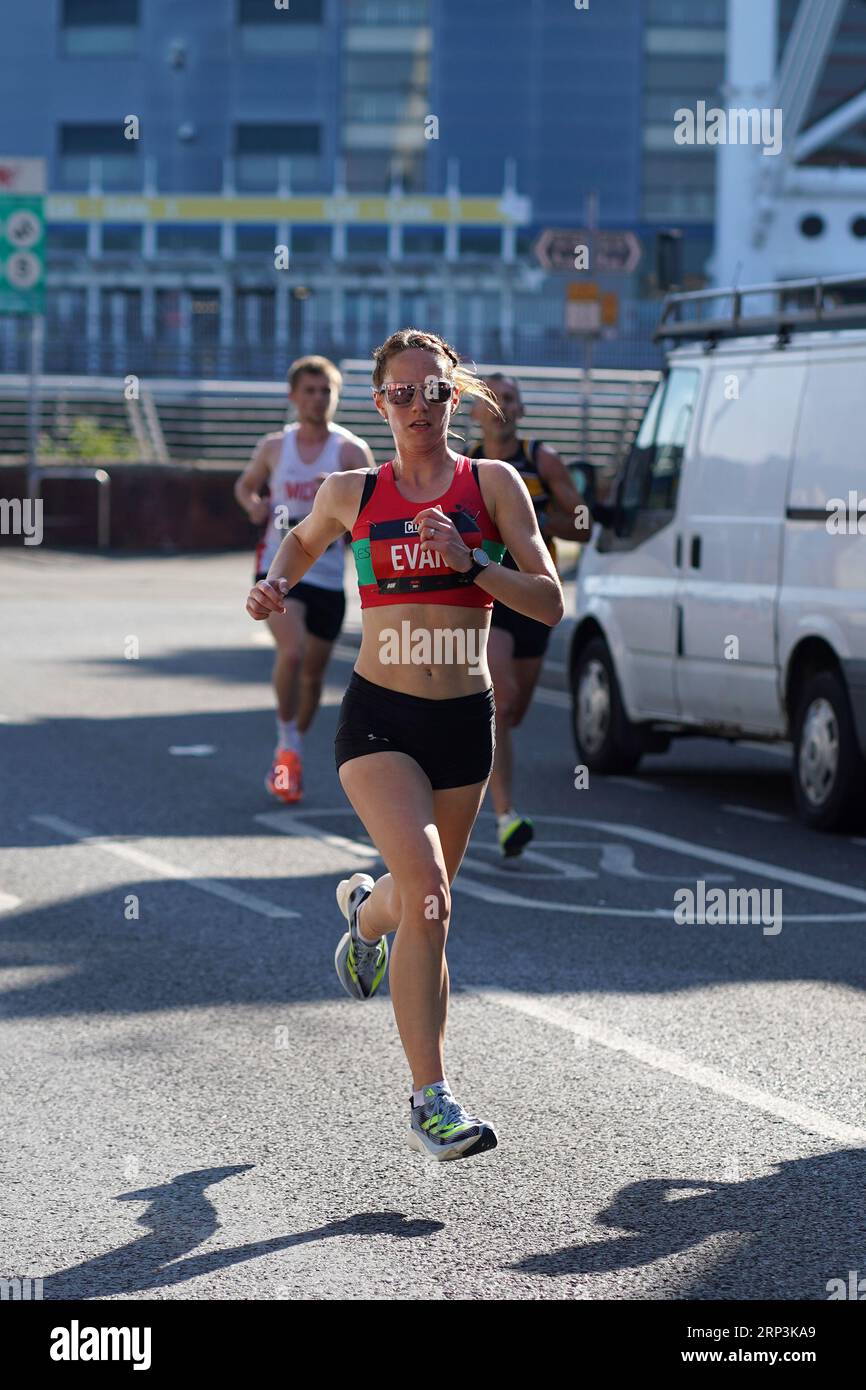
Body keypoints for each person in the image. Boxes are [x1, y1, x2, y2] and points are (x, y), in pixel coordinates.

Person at [245, 329, 564, 1162]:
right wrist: (276, 583)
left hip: (465, 725)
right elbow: (305, 538)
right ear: (380, 402)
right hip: (381, 720)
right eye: (401, 392)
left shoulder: (492, 485)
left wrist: (475, 563)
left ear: (455, 399)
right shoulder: (353, 489)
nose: (418, 405)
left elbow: (550, 603)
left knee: (416, 901)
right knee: (431, 894)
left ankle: (362, 915)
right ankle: (433, 1098)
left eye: (434, 391)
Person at [235, 355, 374, 803]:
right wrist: (254, 504)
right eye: (309, 391)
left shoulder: (351, 452)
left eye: (325, 391)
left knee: (314, 676)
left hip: (329, 575)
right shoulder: (275, 446)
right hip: (280, 568)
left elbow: (373, 519)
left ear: (335, 397)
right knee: (291, 653)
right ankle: (286, 745)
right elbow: (246, 485)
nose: (318, 400)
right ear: (293, 397)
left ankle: (294, 741)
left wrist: (338, 498)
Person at [469, 374, 590, 857]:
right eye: (490, 400)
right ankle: (505, 816)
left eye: (510, 399)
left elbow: (583, 524)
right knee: (501, 701)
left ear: (521, 410)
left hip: (536, 597)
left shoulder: (542, 460)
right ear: (473, 412)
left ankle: (476, 757)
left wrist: (531, 518)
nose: (501, 407)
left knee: (513, 712)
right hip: (490, 596)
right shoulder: (467, 468)